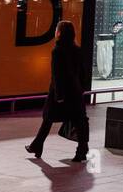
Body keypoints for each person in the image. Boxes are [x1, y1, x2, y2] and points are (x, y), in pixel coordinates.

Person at [25, 21, 89, 163]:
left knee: (48, 118)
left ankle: (37, 146)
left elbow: (57, 75)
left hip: (61, 92)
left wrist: (59, 95)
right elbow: (82, 72)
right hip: (75, 92)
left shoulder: (57, 50)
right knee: (79, 121)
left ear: (59, 33)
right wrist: (81, 88)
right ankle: (82, 150)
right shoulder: (77, 50)